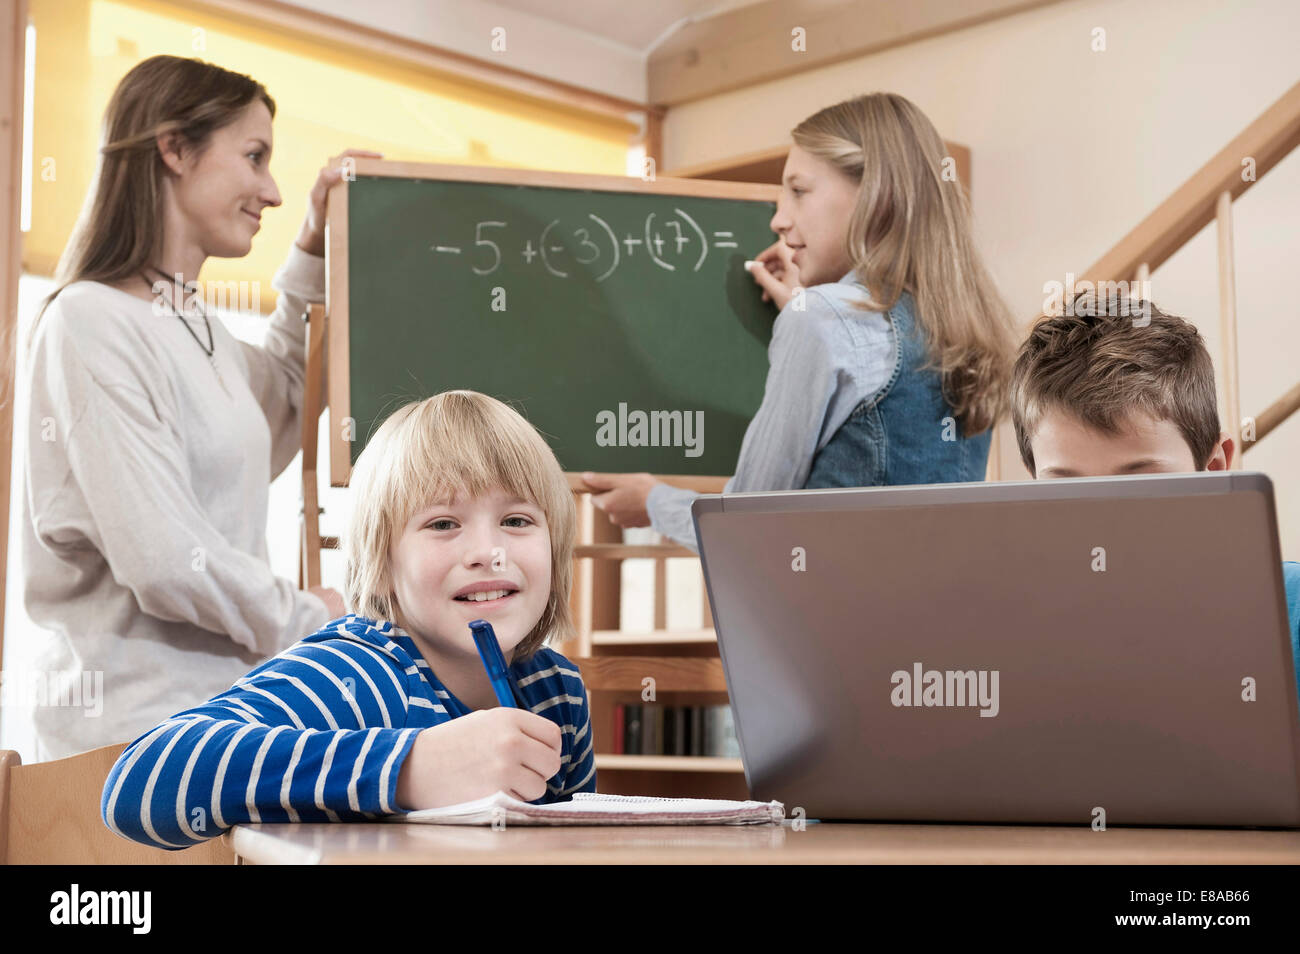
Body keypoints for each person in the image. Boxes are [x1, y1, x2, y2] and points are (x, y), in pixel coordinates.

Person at [21, 53, 376, 758]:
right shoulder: (89, 323)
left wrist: (311, 242)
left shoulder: (195, 325)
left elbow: (281, 402)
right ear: (174, 149)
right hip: (128, 749)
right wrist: (309, 618)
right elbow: (162, 559)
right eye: (254, 157)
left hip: (216, 728)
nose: (271, 191)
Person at [101, 390, 596, 850]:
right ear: (381, 566)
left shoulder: (558, 690)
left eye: (517, 521)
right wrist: (412, 768)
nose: (489, 552)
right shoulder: (356, 675)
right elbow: (140, 782)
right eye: (443, 524)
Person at [582, 92, 1018, 551]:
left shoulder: (824, 321)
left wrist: (653, 502)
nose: (778, 220)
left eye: (798, 190)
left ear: (875, 195)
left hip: (833, 619)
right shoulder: (960, 326)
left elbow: (746, 525)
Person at [1008, 292, 1300, 696]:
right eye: (1066, 490)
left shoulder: (1292, 610)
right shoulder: (1012, 639)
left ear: (1213, 468)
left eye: (1141, 485)